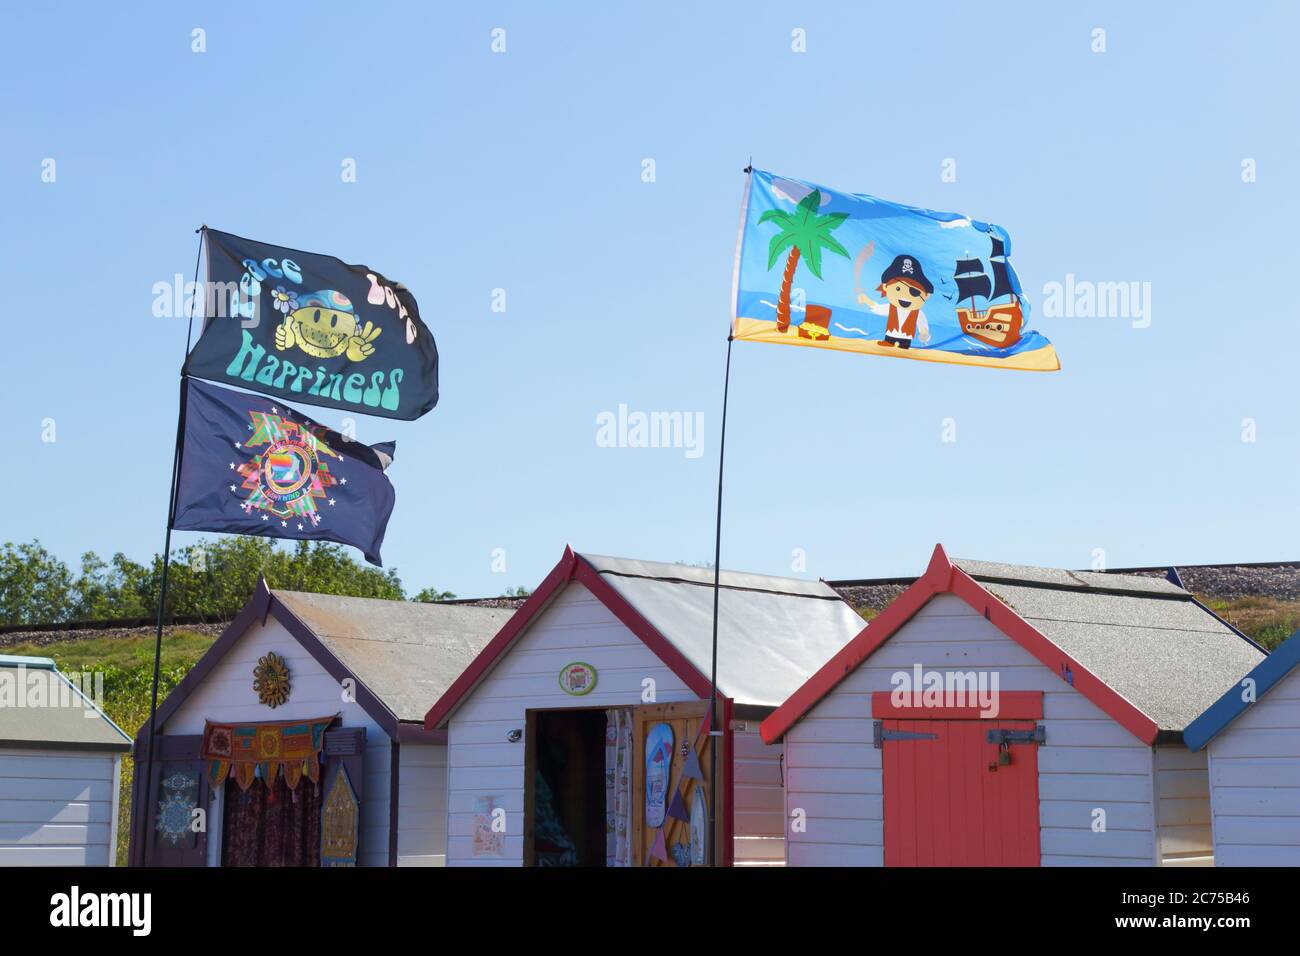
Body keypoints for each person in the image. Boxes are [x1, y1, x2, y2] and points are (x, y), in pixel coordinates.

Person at [857, 254, 933, 349]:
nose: (905, 296)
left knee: (903, 349)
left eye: (914, 292)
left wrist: (924, 332)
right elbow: (878, 308)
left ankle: (903, 346)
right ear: (885, 287)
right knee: (888, 344)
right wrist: (866, 300)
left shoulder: (918, 313)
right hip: (890, 335)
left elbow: (922, 323)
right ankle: (889, 342)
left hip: (906, 339)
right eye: (898, 288)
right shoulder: (891, 307)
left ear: (926, 295)